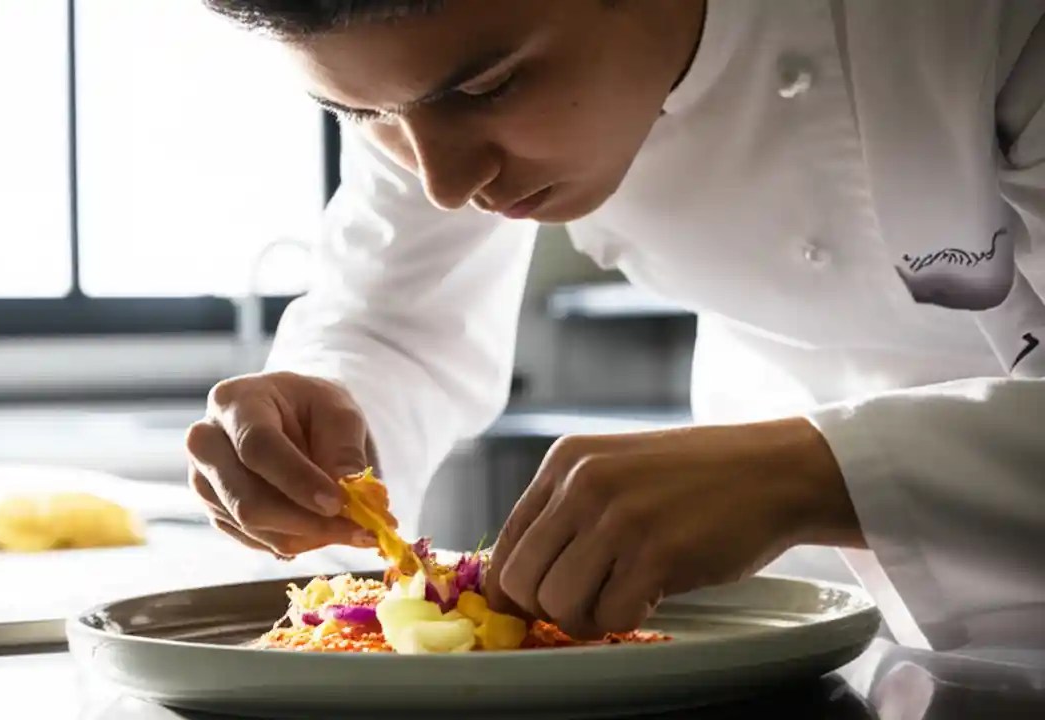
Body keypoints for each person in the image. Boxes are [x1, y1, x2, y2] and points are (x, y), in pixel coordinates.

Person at [184, 0, 1045, 652]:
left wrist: (812, 475)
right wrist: (321, 412)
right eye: (362, 117)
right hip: (793, 628)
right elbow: (388, 327)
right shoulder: (430, 88)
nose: (443, 181)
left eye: (492, 86)